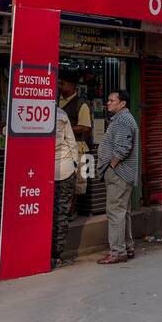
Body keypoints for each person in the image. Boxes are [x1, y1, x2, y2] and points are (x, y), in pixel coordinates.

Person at [96, 89, 138, 264]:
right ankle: (127, 247)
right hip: (123, 173)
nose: (108, 103)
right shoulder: (124, 118)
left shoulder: (121, 120)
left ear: (122, 103)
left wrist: (112, 165)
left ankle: (117, 251)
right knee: (123, 212)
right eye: (108, 100)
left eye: (112, 100)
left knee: (115, 212)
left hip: (119, 173)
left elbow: (123, 147)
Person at [58, 73, 93, 206]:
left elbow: (85, 127)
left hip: (78, 148)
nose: (60, 86)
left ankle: (71, 209)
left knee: (77, 180)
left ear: (72, 86)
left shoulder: (81, 104)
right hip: (60, 148)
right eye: (60, 83)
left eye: (63, 84)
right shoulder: (55, 101)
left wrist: (65, 129)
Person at [51, 101, 79, 268]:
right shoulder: (61, 114)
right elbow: (72, 142)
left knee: (49, 213)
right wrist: (74, 165)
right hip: (65, 170)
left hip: (42, 174)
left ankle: (48, 253)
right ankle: (57, 254)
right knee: (61, 213)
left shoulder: (28, 111)